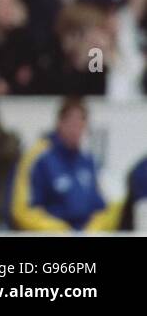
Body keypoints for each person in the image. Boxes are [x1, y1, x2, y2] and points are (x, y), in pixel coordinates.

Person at [7, 96, 122, 231]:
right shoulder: (39, 158)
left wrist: (93, 230)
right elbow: (22, 211)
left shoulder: (87, 160)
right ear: (60, 123)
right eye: (71, 123)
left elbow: (100, 207)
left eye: (80, 124)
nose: (75, 130)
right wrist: (61, 231)